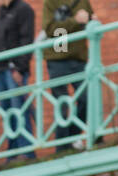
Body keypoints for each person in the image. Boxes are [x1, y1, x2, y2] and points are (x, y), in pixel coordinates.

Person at [0, 0, 38, 161]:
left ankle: (26, 151)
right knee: (7, 112)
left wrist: (19, 67)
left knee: (19, 109)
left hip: (13, 69)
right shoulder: (3, 11)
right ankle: (13, 152)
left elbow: (26, 40)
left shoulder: (23, 9)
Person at [42, 0, 96, 152]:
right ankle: (62, 146)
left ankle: (72, 137)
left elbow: (88, 21)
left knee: (86, 99)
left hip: (79, 58)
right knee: (62, 103)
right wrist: (75, 21)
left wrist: (92, 21)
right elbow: (50, 29)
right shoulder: (50, 3)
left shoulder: (82, 1)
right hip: (58, 57)